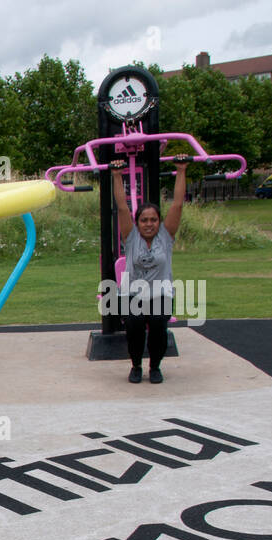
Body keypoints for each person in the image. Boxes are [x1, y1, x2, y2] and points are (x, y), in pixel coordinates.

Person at [111, 155, 190, 383]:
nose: (148, 224)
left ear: (159, 221)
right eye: (144, 220)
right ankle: (136, 366)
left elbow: (177, 204)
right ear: (137, 223)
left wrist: (181, 170)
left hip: (160, 294)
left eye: (153, 220)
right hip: (133, 293)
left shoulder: (166, 236)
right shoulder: (131, 236)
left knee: (158, 326)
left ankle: (155, 367)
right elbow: (122, 207)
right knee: (134, 327)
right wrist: (117, 175)